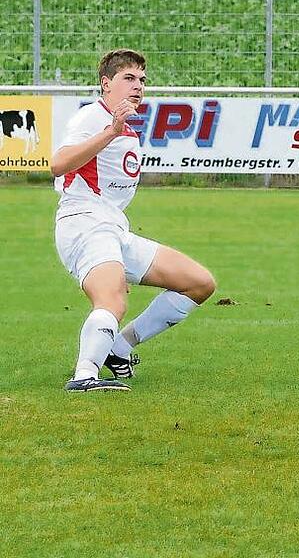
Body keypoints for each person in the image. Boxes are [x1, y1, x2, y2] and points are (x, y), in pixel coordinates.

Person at [52, 49, 216, 392]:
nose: (138, 86)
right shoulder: (93, 118)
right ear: (106, 84)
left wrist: (116, 130)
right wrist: (110, 132)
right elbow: (59, 164)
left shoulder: (123, 125)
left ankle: (119, 347)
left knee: (199, 282)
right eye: (129, 78)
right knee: (112, 300)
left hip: (112, 228)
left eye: (142, 80)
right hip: (84, 223)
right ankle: (84, 376)